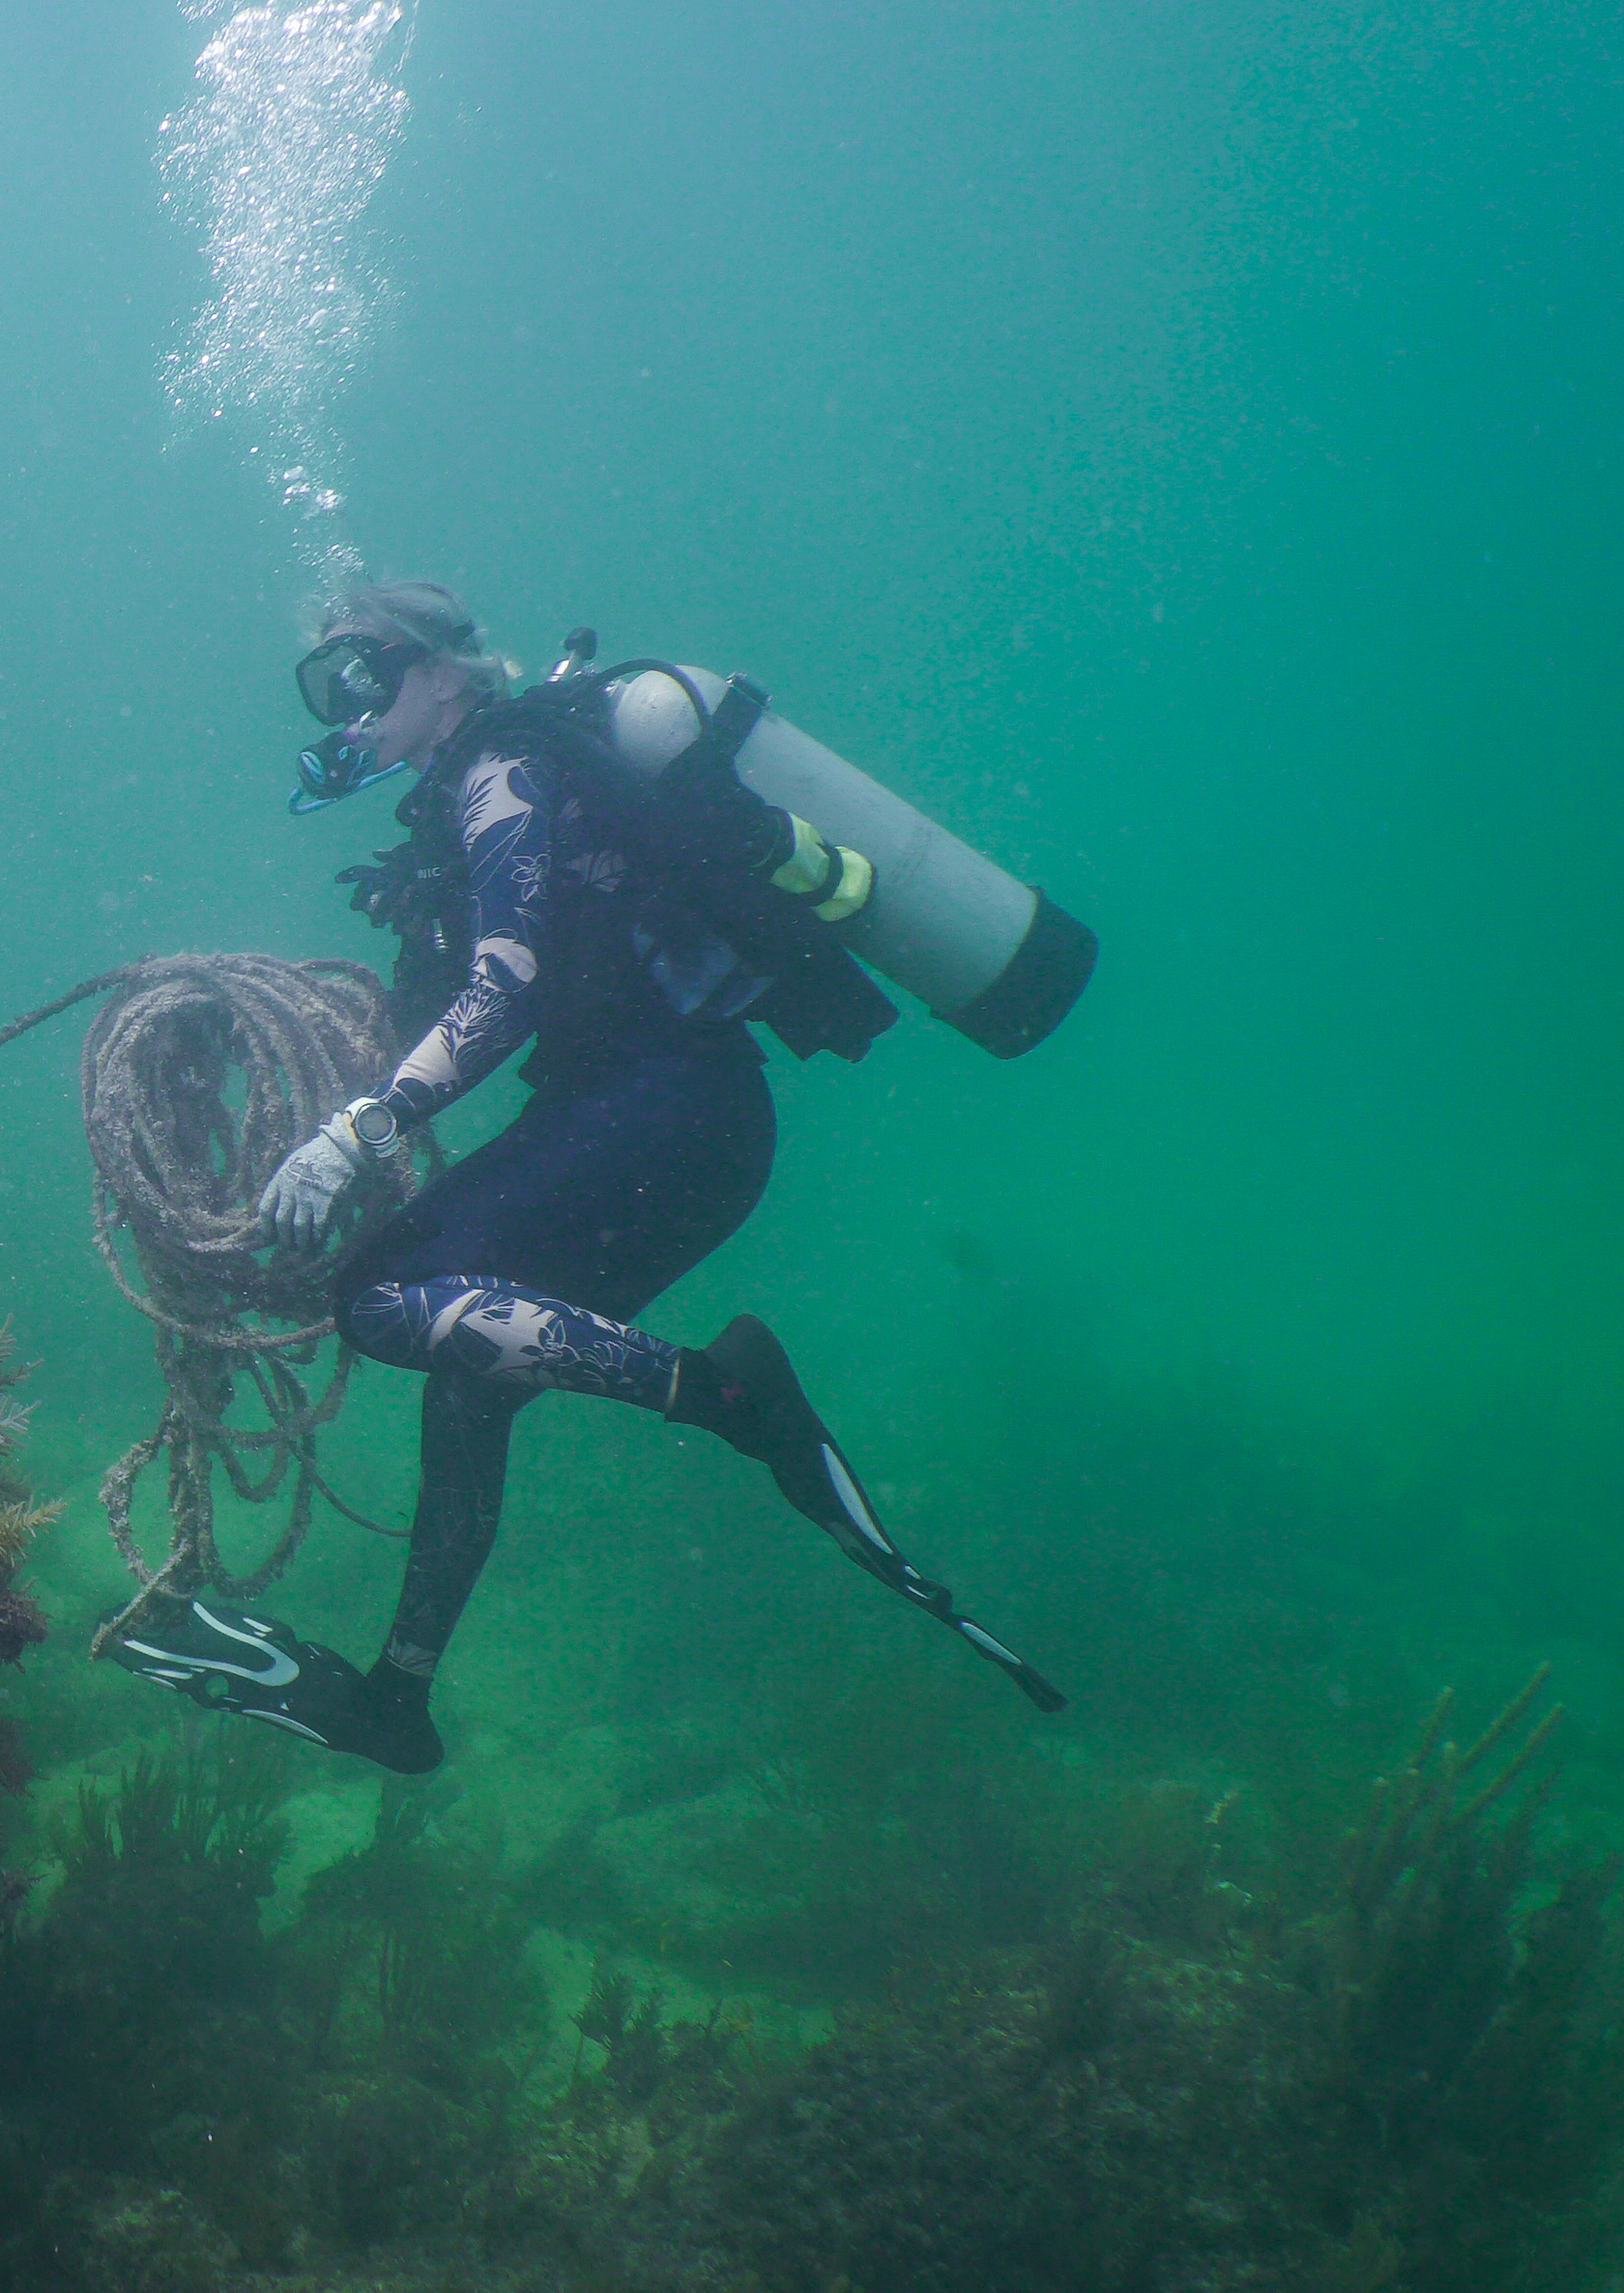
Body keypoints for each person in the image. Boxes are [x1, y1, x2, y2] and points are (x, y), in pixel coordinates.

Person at [110, 579, 998, 1772]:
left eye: (367, 672)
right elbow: (471, 990)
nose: (349, 705)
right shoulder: (479, 786)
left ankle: (727, 1395)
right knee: (468, 1380)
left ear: (445, 673)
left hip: (667, 1107)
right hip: (671, 1122)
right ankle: (398, 1696)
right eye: (328, 685)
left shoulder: (502, 770)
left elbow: (502, 991)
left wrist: (358, 1129)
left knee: (378, 1297)